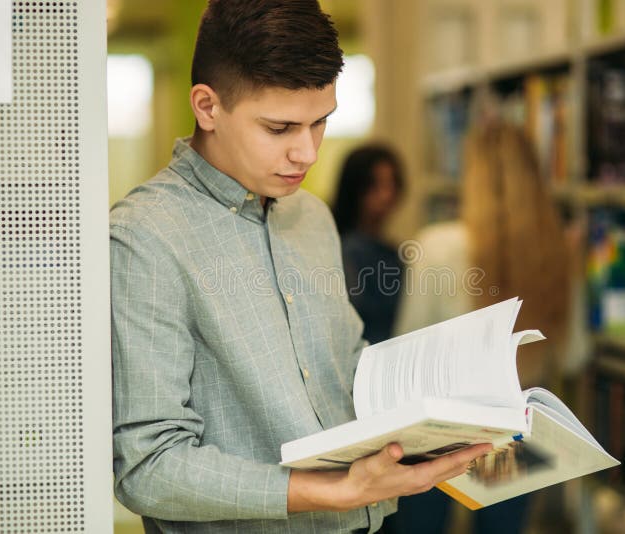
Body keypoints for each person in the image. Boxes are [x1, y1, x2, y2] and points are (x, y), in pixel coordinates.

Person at [109, 2, 490, 533]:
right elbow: (148, 466)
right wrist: (328, 492)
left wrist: (452, 403)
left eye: (320, 123)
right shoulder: (144, 236)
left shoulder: (311, 216)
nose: (307, 153)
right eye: (280, 127)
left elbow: (343, 366)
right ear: (206, 107)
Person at [388, 121, 571, 534]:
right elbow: (576, 352)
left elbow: (406, 345)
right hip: (517, 425)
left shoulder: (438, 245)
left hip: (436, 429)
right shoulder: (559, 252)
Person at [332, 145, 405, 345]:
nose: (386, 195)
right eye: (375, 186)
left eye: (392, 185)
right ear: (355, 188)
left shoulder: (391, 252)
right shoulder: (346, 249)